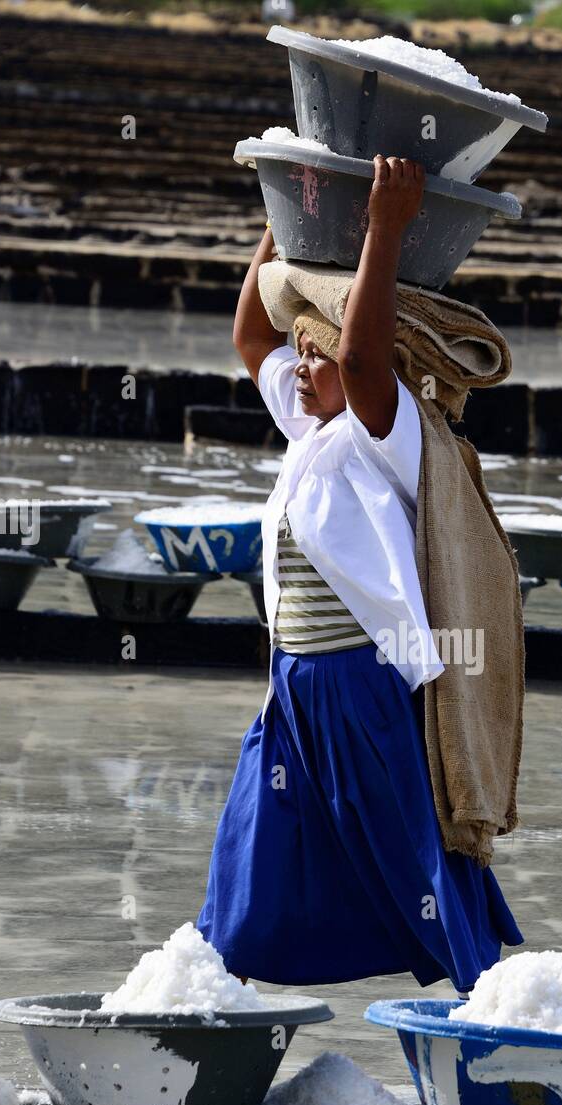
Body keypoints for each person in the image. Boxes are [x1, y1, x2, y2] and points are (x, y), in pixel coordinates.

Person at [196, 155, 523, 991]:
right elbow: (250, 336)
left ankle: (494, 1009)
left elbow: (369, 363)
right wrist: (286, 224)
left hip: (360, 688)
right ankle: (208, 996)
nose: (301, 369)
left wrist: (383, 226)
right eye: (303, 355)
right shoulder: (312, 428)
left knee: (414, 858)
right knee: (252, 854)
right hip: (293, 688)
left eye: (319, 357)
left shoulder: (392, 436)